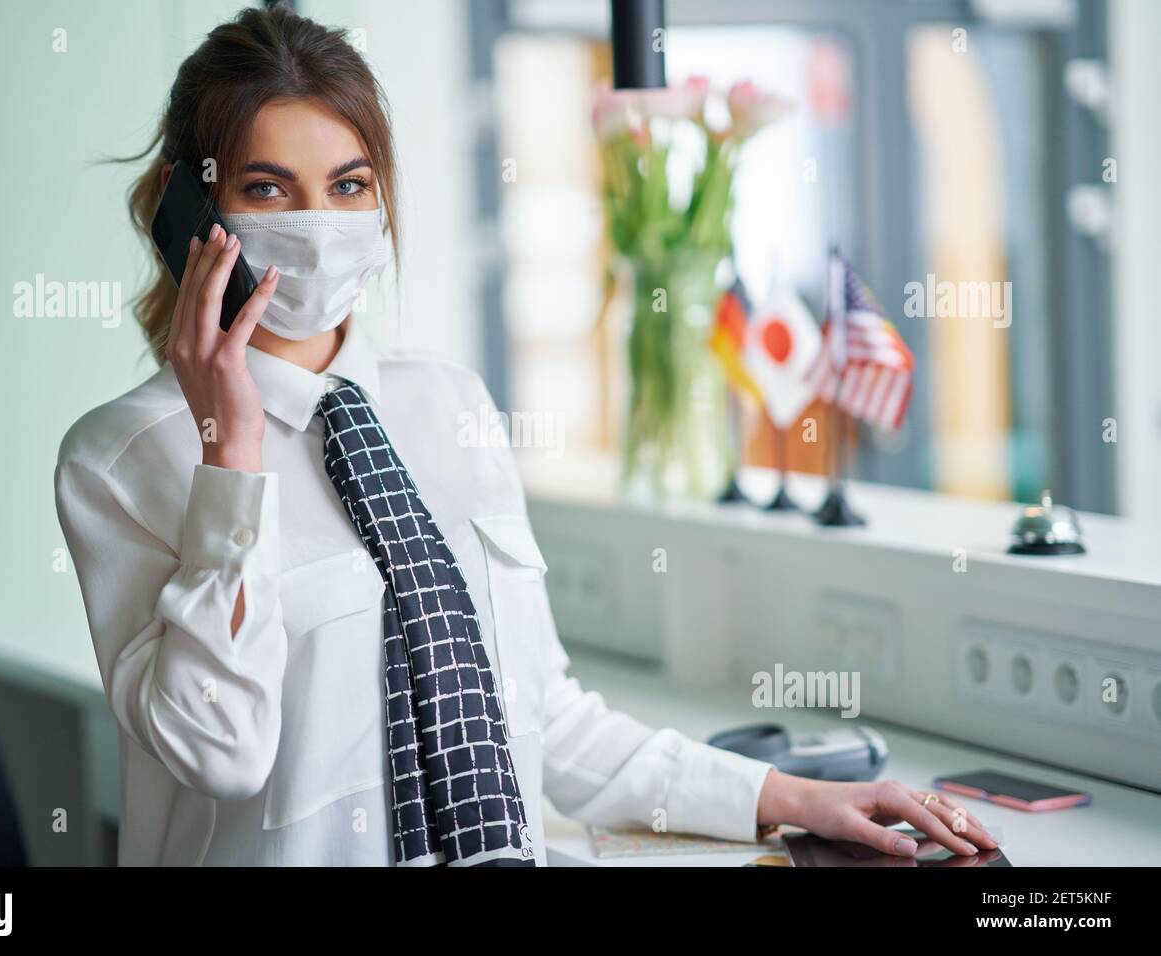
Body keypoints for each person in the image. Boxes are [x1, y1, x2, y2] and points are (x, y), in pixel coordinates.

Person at [54, 5, 996, 866]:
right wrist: (232, 454)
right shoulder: (121, 461)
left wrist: (796, 797)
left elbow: (542, 723)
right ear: (190, 213)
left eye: (349, 185)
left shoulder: (448, 405)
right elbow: (219, 749)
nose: (321, 224)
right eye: (269, 189)